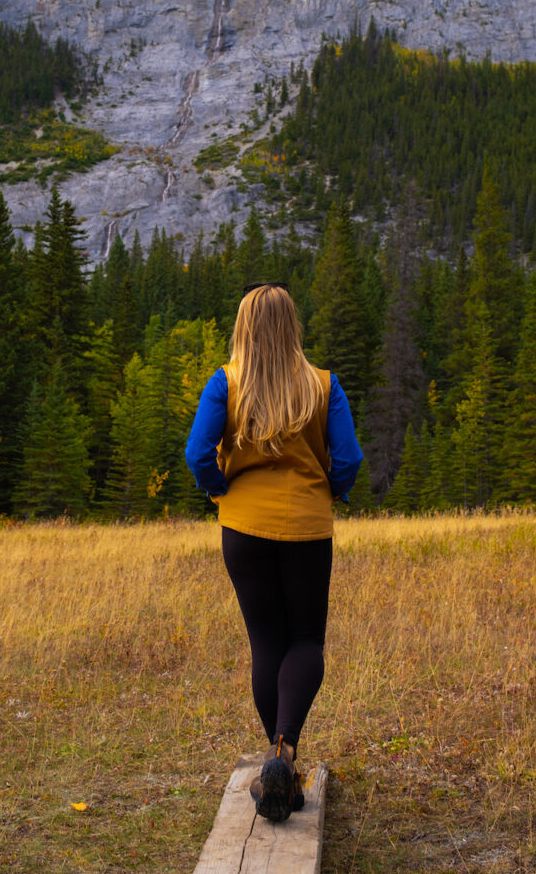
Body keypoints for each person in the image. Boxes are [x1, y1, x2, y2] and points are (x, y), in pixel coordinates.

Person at [185, 282, 363, 822]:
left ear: (244, 326)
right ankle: (284, 754)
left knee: (266, 642)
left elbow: (197, 453)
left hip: (243, 527)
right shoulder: (324, 385)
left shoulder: (226, 382)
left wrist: (220, 488)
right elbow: (349, 459)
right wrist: (329, 492)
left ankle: (277, 765)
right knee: (305, 640)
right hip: (307, 525)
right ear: (292, 326)